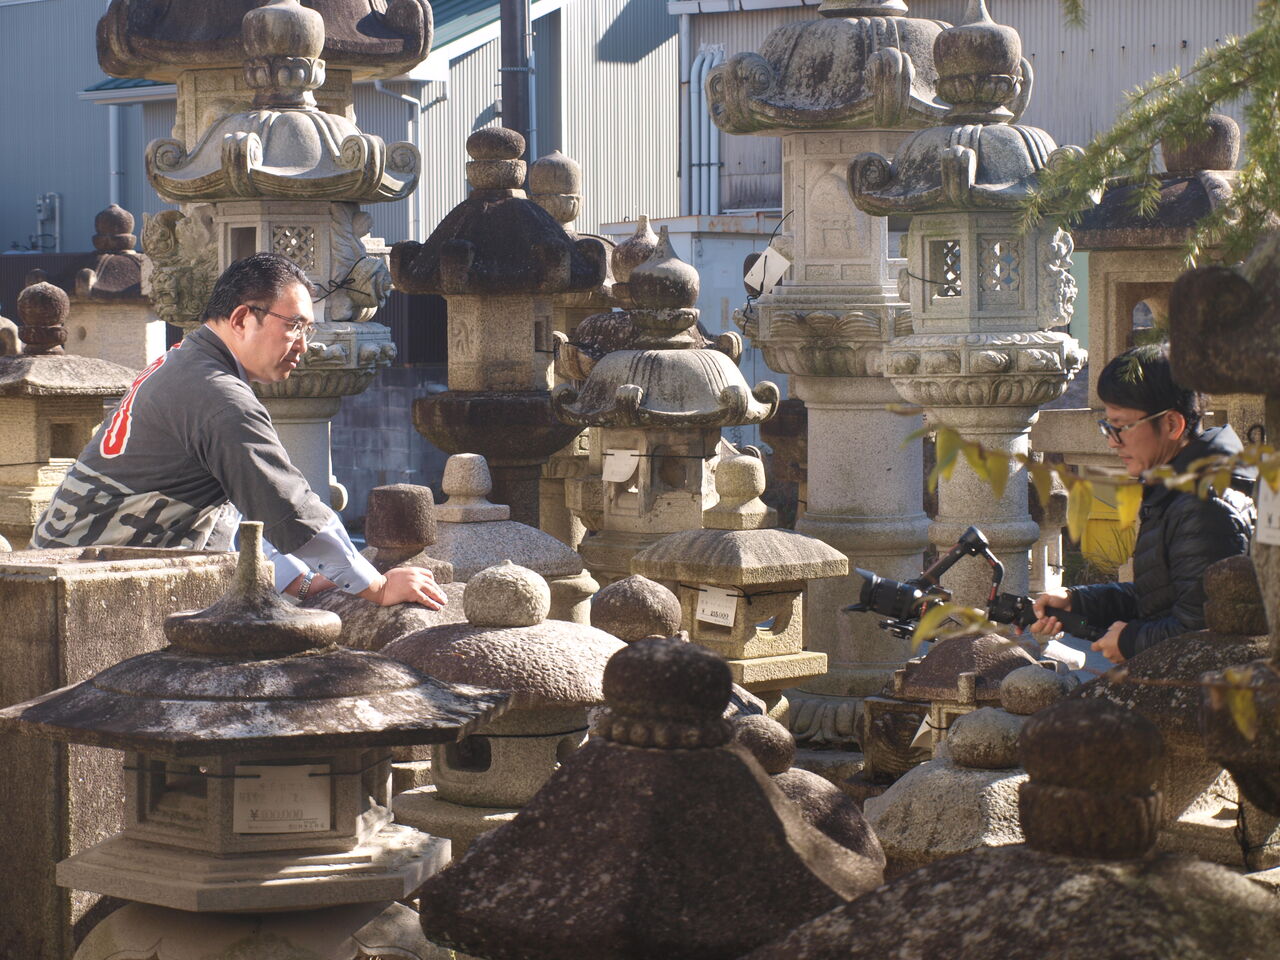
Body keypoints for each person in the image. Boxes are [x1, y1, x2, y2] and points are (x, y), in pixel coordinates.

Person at [30, 253, 444, 610]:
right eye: (294, 325)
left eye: (309, 329)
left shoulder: (185, 361)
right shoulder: (221, 396)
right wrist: (377, 585)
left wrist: (300, 578)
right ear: (244, 318)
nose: (304, 343)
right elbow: (288, 506)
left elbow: (234, 503)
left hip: (56, 564)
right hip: (78, 589)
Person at [1029, 343, 1253, 664]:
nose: (1111, 440)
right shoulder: (1173, 486)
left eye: (1121, 427)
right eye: (1107, 426)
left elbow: (1206, 630)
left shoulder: (1205, 505)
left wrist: (1132, 641)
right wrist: (1076, 602)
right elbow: (1158, 598)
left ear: (1172, 425)